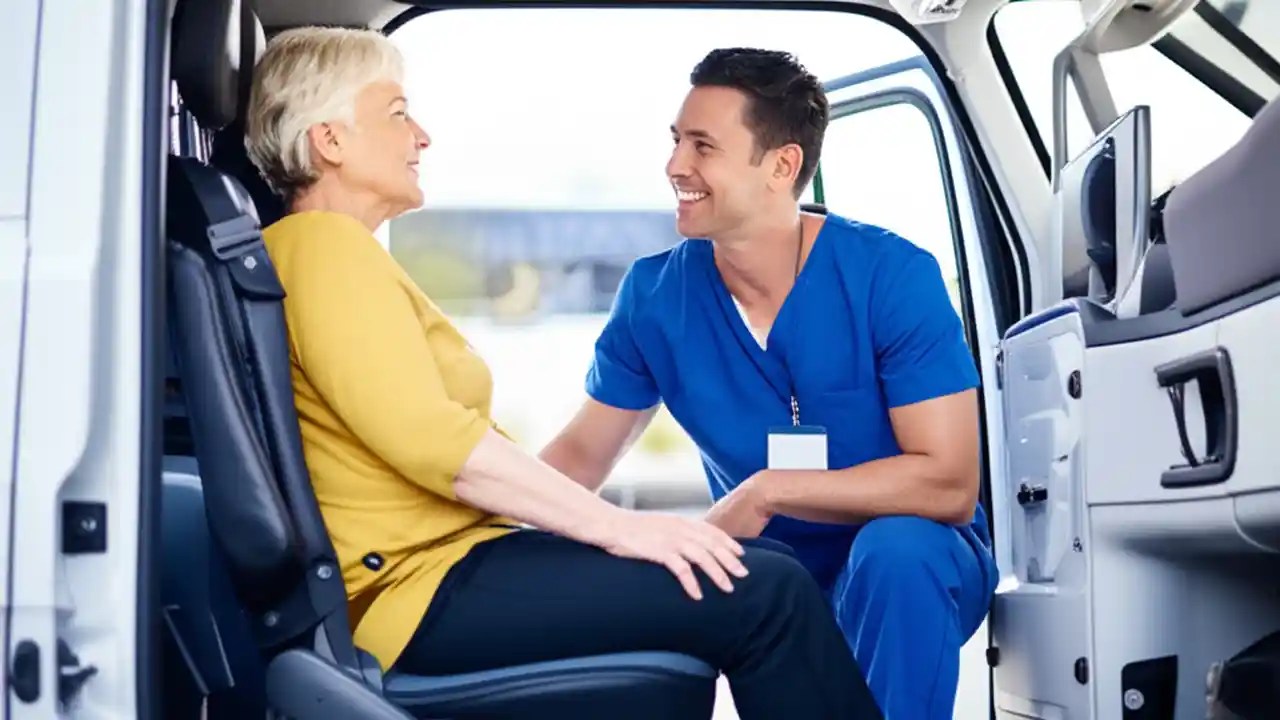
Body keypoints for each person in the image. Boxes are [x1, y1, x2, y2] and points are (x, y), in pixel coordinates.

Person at [243, 27, 882, 720]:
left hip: (449, 566)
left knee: (760, 570)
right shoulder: (324, 249)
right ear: (329, 140)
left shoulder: (331, 253)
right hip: (416, 591)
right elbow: (437, 444)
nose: (420, 136)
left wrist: (595, 532)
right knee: (768, 591)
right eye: (398, 113)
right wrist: (621, 529)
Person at [539, 47, 1000, 720]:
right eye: (675, 141)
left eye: (702, 146)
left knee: (897, 551)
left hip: (917, 565)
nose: (675, 166)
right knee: (713, 589)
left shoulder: (891, 276)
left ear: (782, 166)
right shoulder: (654, 298)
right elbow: (581, 456)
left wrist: (769, 490)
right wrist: (476, 528)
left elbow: (949, 485)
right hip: (768, 569)